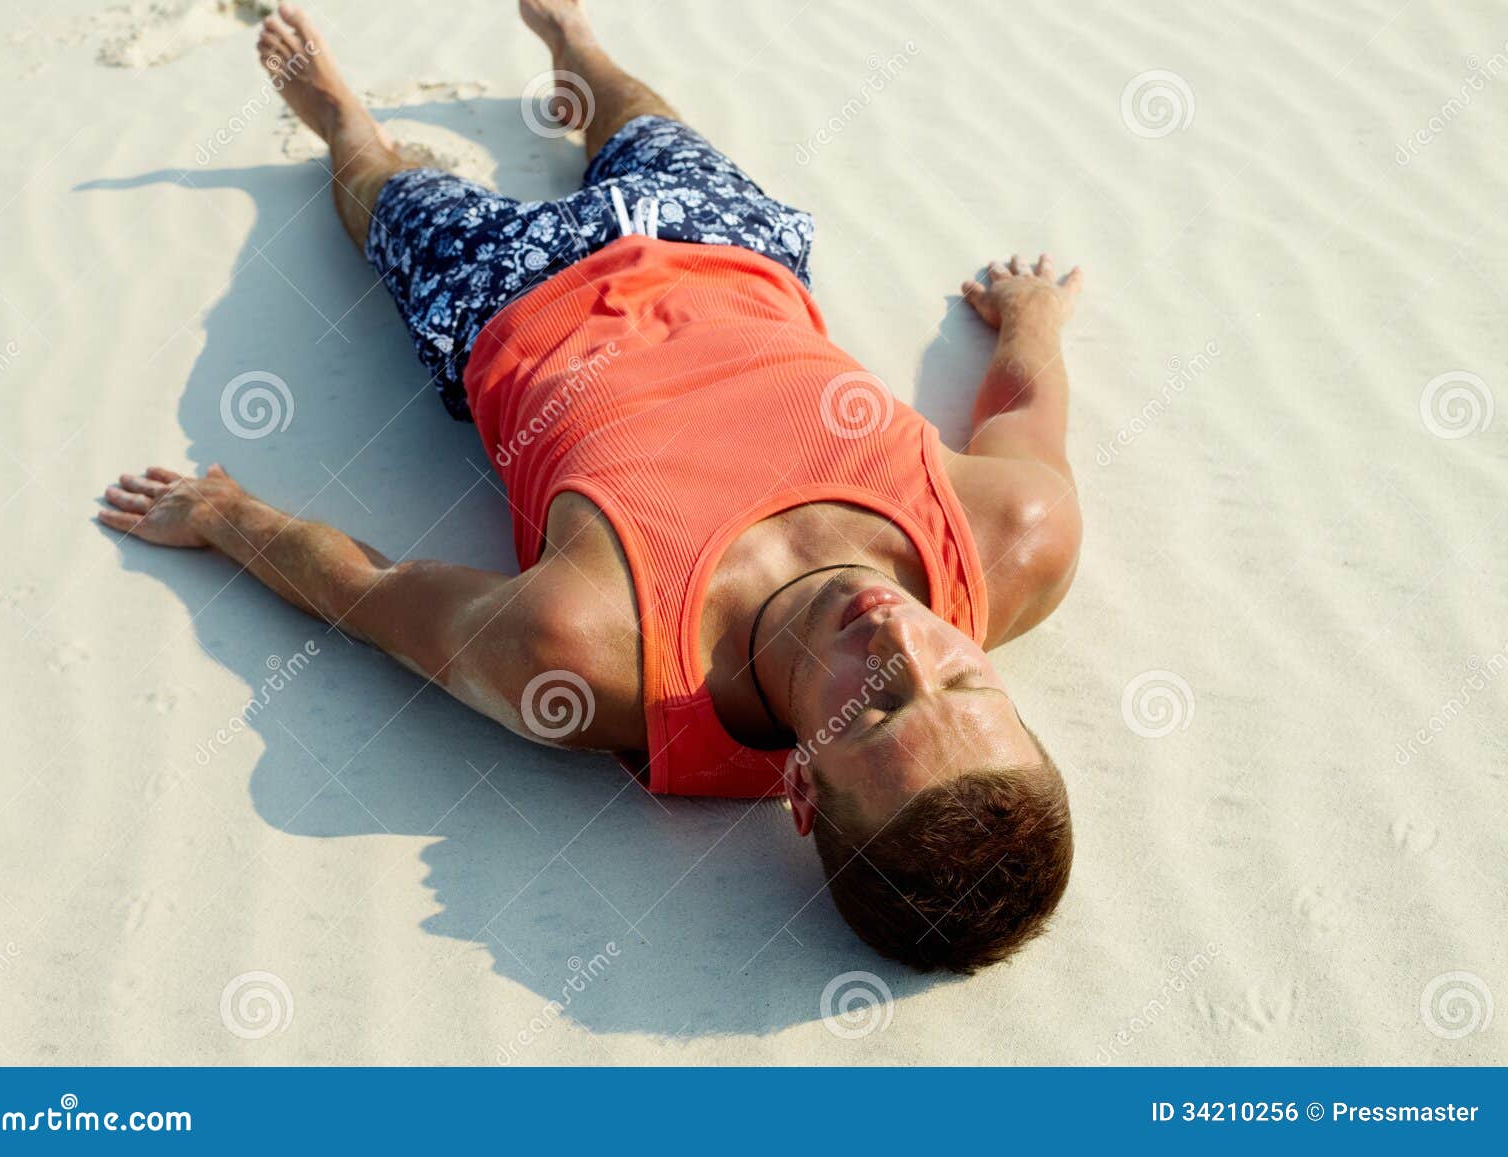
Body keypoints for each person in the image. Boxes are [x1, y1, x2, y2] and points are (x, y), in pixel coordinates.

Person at [99, 0, 1084, 972]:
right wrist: (1031, 315)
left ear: (802, 790)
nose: (899, 637)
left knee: (378, 189)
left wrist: (228, 517)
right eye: (963, 677)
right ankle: (573, 40)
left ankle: (336, 113)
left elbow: (374, 592)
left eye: (877, 707)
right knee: (636, 115)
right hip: (725, 247)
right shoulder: (1017, 534)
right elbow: (1022, 408)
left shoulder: (588, 656)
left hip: (504, 293)